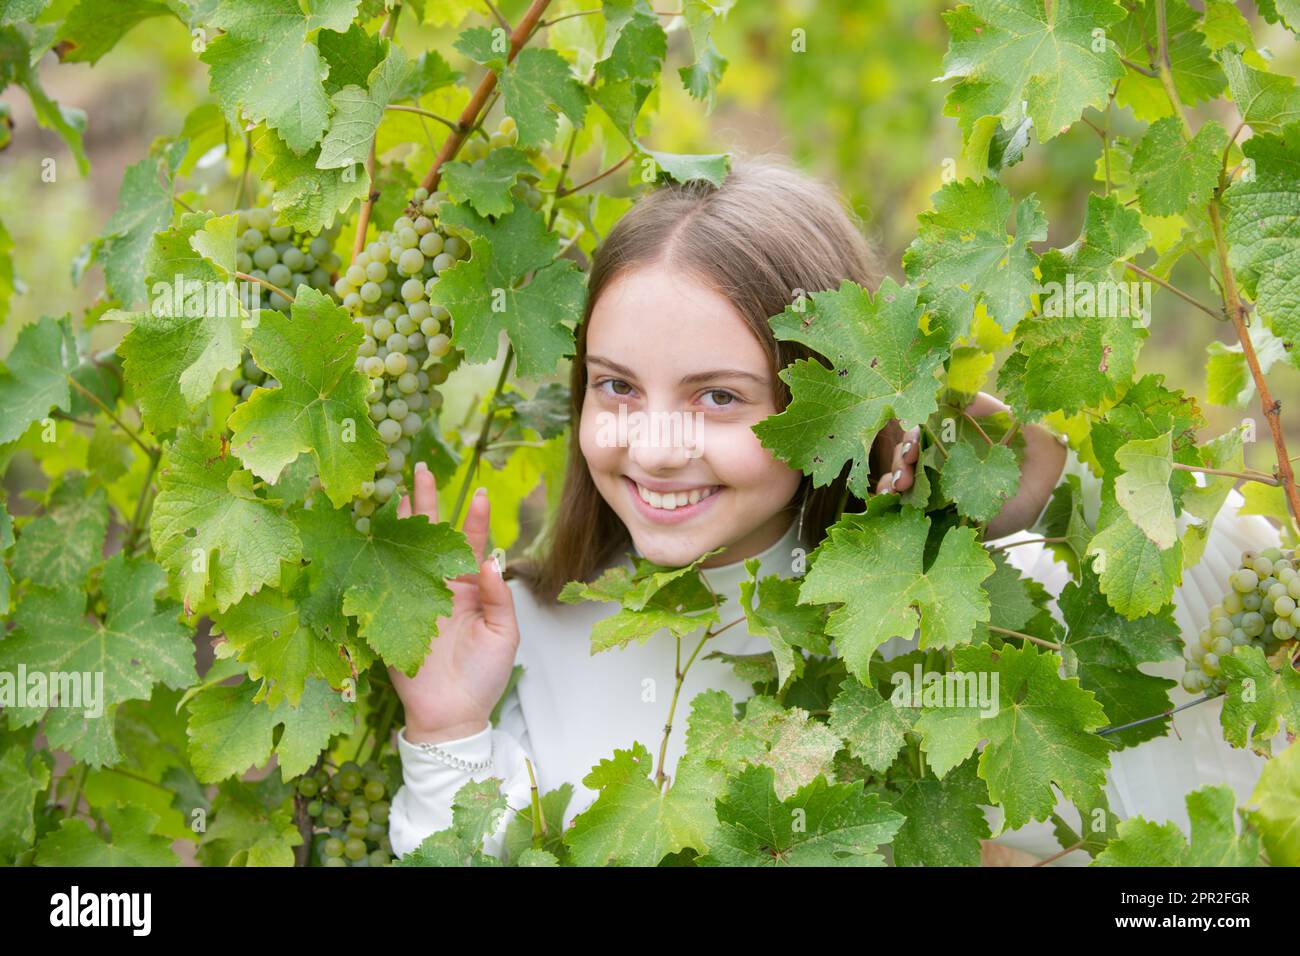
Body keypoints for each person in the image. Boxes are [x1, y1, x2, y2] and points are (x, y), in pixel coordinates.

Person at [385, 156, 1278, 865]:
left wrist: (1043, 485)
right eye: (617, 386)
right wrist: (447, 729)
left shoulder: (960, 615)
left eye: (720, 398)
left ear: (830, 406)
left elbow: (1247, 586)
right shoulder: (524, 636)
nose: (654, 445)